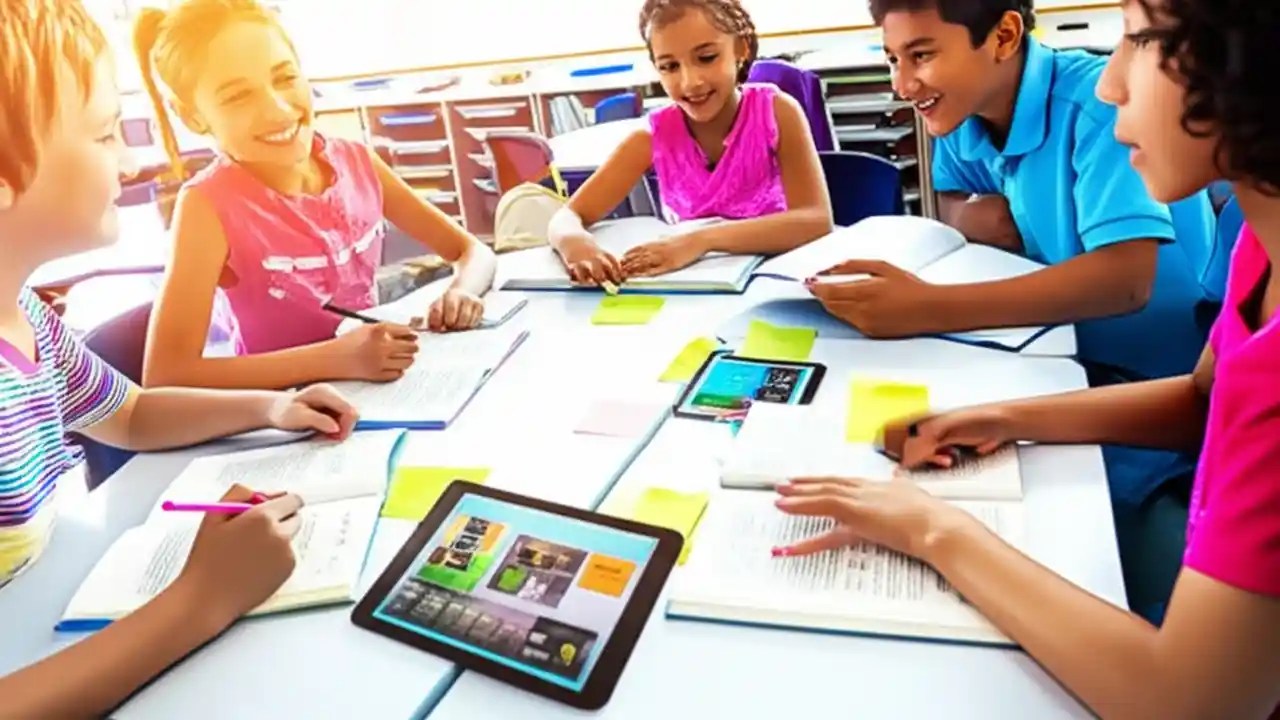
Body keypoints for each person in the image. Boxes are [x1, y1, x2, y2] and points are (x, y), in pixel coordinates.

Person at [776, 1, 1280, 715]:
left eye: (1138, 43)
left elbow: (1186, 700)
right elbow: (1205, 399)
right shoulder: (1261, 248)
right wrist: (1001, 415)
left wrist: (932, 529)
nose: (1110, 85)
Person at [0, 3, 361, 714]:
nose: (131, 160)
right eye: (105, 134)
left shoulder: (27, 314)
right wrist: (199, 601)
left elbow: (128, 413)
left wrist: (270, 406)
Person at [832, 0, 1221, 589]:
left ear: (1004, 35)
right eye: (892, 58)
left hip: (1141, 381)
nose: (902, 84)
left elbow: (1127, 279)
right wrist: (978, 218)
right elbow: (953, 205)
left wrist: (927, 308)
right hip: (1051, 357)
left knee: (1060, 542)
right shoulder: (959, 113)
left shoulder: (1096, 107)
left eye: (923, 55)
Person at [135, 0, 497, 391]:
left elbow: (473, 252)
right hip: (282, 411)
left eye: (285, 77)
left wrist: (460, 293)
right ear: (192, 116)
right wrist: (338, 358)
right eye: (238, 96)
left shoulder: (357, 161)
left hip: (378, 387)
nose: (277, 109)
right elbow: (166, 376)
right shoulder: (207, 206)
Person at [546, 0, 832, 285]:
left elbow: (816, 220)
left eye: (706, 57)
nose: (690, 82)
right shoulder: (651, 137)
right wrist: (576, 245)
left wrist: (701, 241)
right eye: (669, 66)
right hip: (696, 290)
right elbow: (567, 216)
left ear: (740, 49)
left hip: (779, 280)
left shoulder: (777, 111)